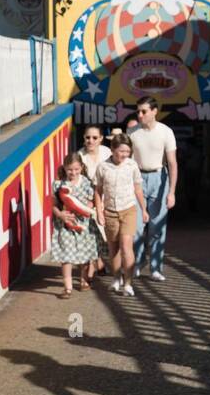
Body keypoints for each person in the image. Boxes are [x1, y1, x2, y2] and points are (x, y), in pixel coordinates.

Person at [94, 134, 148, 297]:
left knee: (126, 246)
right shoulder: (103, 167)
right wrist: (99, 212)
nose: (124, 155)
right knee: (114, 247)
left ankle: (128, 283)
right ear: (112, 149)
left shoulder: (132, 165)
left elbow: (138, 189)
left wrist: (144, 209)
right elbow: (98, 191)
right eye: (121, 151)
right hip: (110, 211)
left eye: (127, 152)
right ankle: (116, 278)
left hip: (128, 209)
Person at [131, 97, 178, 282]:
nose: (140, 115)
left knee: (157, 227)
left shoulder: (166, 132)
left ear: (154, 111)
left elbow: (172, 163)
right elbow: (127, 160)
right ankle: (138, 262)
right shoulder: (132, 132)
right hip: (137, 179)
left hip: (159, 178)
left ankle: (156, 268)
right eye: (138, 111)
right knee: (136, 226)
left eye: (144, 111)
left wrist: (172, 192)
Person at [50, 153, 101, 297]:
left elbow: (94, 201)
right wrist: (60, 214)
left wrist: (88, 205)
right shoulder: (58, 184)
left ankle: (84, 280)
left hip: (84, 224)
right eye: (70, 170)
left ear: (81, 167)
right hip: (65, 225)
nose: (73, 172)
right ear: (64, 168)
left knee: (84, 254)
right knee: (66, 255)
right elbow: (53, 205)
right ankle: (68, 287)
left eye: (76, 169)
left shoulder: (87, 183)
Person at [78, 126, 110, 287]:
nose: (91, 141)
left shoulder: (107, 153)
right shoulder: (79, 155)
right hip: (87, 201)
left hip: (106, 199)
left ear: (101, 139)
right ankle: (87, 274)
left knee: (103, 236)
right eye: (87, 137)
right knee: (89, 236)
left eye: (95, 138)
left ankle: (101, 262)